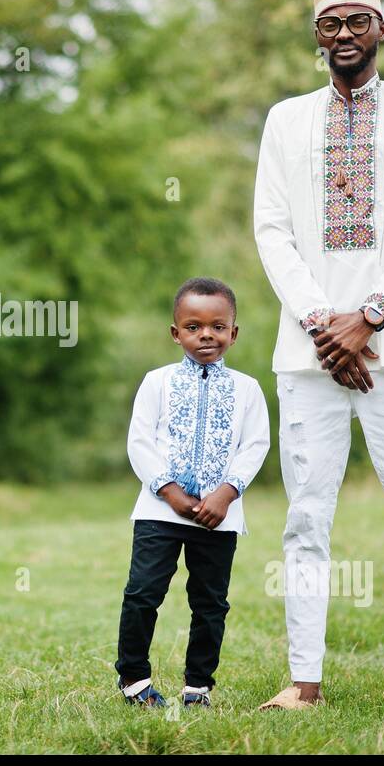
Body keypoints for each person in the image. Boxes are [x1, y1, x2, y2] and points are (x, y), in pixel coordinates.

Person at [252, 0, 384, 715]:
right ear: (317, 35)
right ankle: (303, 680)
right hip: (308, 360)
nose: (344, 35)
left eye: (357, 21)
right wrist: (322, 325)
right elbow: (271, 230)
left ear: (382, 28)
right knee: (306, 515)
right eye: (330, 24)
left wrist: (370, 314)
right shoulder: (285, 119)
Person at [116, 277, 270, 708]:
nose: (207, 334)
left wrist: (226, 492)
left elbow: (256, 444)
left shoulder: (247, 389)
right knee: (143, 594)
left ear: (233, 333)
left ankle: (197, 686)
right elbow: (139, 442)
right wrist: (169, 491)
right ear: (176, 332)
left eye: (218, 326)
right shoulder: (157, 382)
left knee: (210, 604)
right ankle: (134, 679)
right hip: (159, 512)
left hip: (218, 516)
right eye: (194, 326)